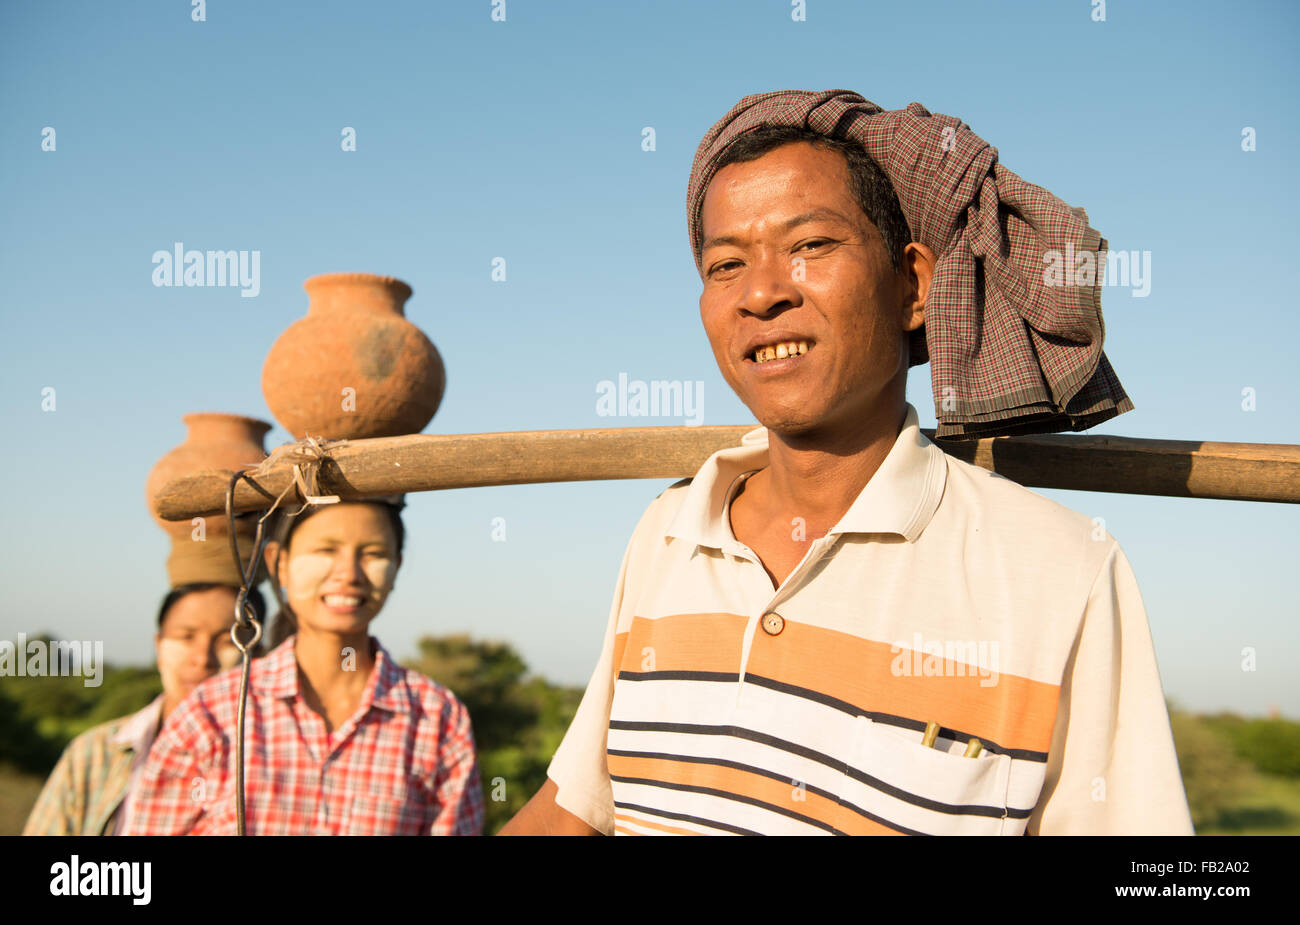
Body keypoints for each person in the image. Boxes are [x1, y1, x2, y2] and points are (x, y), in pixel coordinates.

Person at [501, 91, 1194, 836]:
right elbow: (575, 812)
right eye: (726, 263)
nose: (762, 293)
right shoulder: (671, 530)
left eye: (812, 246)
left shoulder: (1058, 572)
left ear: (914, 286)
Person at [123, 498, 484, 835]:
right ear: (279, 563)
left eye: (373, 553)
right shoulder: (212, 713)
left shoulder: (436, 717)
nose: (348, 574)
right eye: (326, 550)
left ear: (397, 567)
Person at [22, 583, 267, 835]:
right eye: (186, 636)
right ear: (158, 645)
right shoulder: (94, 753)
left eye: (228, 640)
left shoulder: (278, 759)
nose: (202, 658)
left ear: (256, 656)